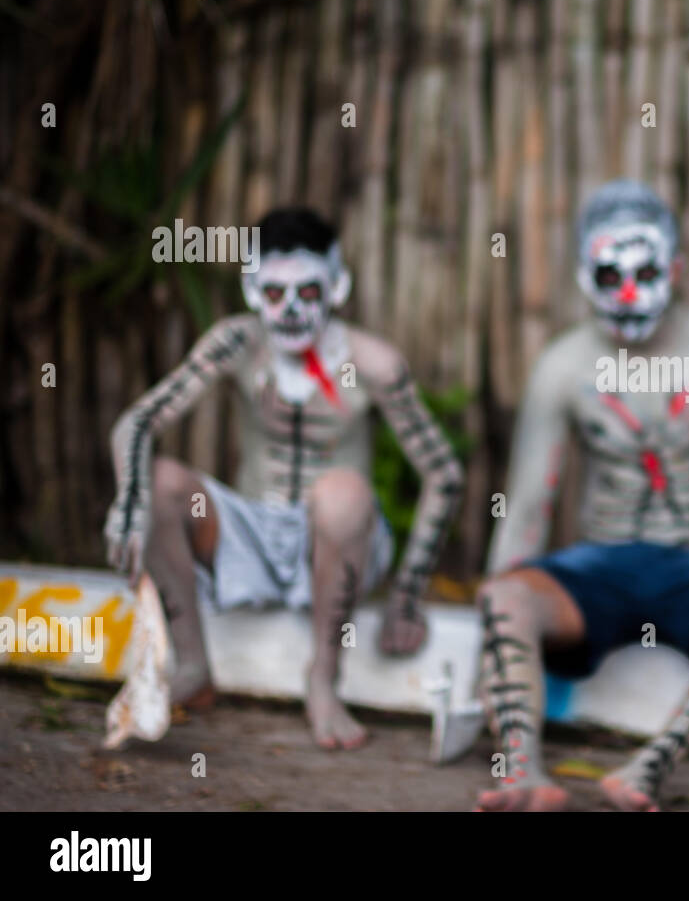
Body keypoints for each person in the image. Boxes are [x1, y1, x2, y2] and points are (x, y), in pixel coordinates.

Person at [476, 180, 689, 811]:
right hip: (597, 568)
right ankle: (521, 774)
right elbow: (526, 505)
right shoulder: (564, 365)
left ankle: (648, 766)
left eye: (647, 271)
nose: (628, 294)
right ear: (582, 276)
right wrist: (489, 646)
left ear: (677, 270)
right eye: (609, 274)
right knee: (502, 595)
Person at [103, 207, 463, 750]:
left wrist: (406, 595)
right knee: (161, 483)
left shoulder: (373, 363)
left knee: (340, 494)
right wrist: (130, 503)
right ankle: (192, 665)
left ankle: (323, 678)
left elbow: (444, 474)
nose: (291, 310)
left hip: (338, 544)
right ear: (252, 291)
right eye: (275, 294)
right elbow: (140, 420)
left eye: (308, 294)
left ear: (337, 286)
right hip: (247, 538)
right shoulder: (236, 343)